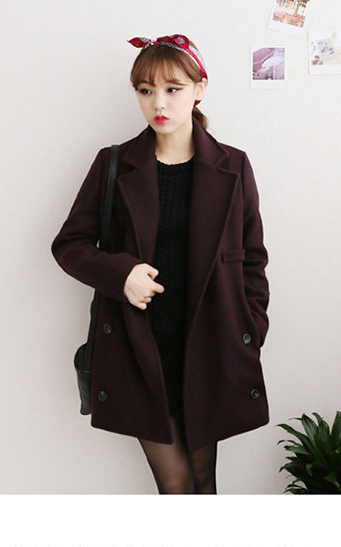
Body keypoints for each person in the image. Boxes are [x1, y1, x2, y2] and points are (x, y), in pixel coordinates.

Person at [52, 34, 270, 494]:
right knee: (175, 484)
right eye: (145, 90)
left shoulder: (233, 166)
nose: (158, 103)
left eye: (173, 89)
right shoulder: (113, 164)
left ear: (199, 89)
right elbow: (69, 245)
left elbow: (252, 260)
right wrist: (121, 275)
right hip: (140, 348)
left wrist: (250, 331)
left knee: (204, 479)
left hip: (211, 347)